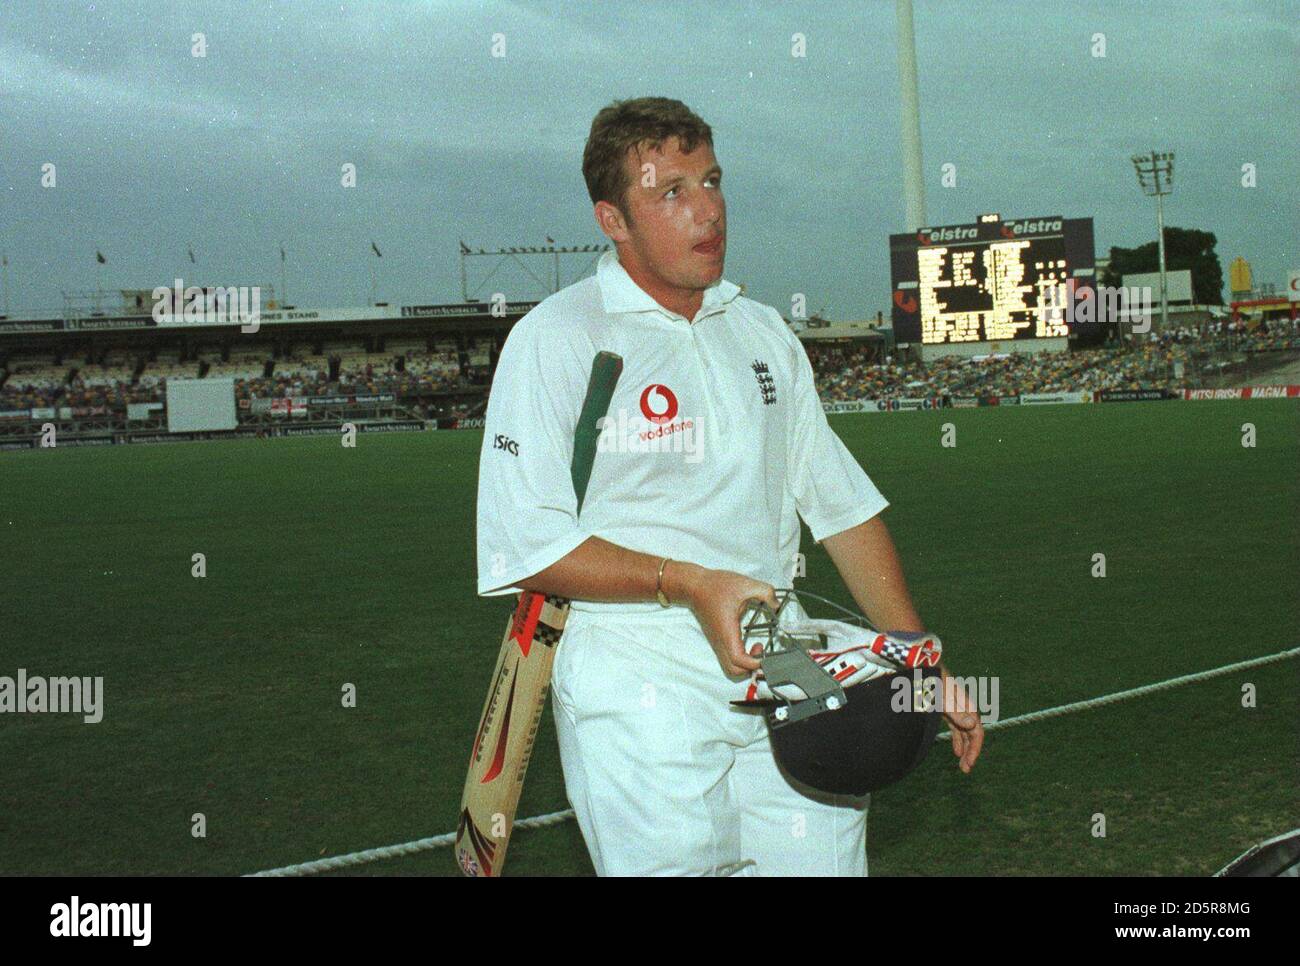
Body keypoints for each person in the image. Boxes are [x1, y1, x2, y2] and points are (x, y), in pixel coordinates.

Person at [476, 97, 982, 876]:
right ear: (614, 220)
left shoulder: (764, 332)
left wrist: (918, 658)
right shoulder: (558, 338)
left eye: (711, 181)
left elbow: (839, 506)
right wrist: (689, 583)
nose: (707, 210)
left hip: (789, 665)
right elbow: (529, 543)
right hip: (638, 682)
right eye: (671, 192)